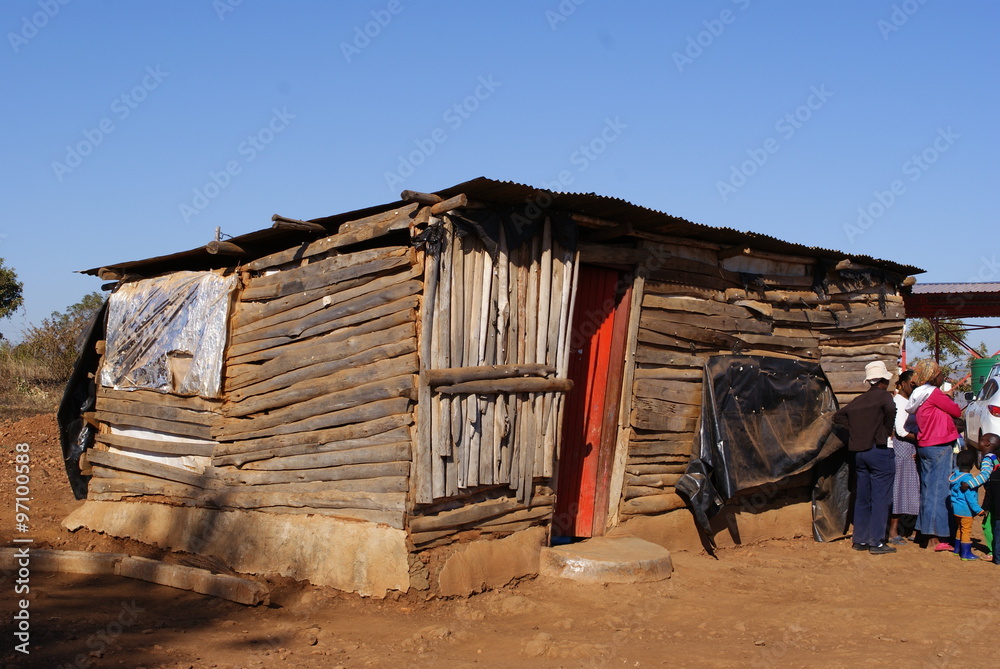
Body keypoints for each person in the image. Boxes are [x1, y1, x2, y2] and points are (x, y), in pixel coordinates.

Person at [833, 360, 897, 554]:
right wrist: (885, 430)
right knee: (880, 498)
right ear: (883, 381)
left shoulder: (859, 401)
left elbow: (837, 417)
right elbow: (892, 411)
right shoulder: (884, 397)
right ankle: (876, 542)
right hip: (879, 451)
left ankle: (859, 539)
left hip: (860, 454)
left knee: (863, 497)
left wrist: (857, 431)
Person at [905, 360, 962, 551]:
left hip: (925, 445)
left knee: (928, 490)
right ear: (932, 376)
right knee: (939, 491)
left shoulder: (918, 395)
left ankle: (922, 531)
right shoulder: (934, 393)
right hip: (940, 445)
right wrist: (949, 397)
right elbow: (955, 410)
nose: (942, 377)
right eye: (939, 374)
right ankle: (934, 538)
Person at [888, 369, 920, 544]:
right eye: (912, 384)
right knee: (899, 489)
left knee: (905, 489)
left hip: (907, 449)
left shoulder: (906, 401)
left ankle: (904, 528)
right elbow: (901, 430)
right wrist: (921, 438)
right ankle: (893, 531)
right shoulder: (900, 403)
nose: (914, 388)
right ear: (903, 384)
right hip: (902, 448)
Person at [959, 433, 1000, 559]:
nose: (979, 441)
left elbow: (984, 475)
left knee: (987, 524)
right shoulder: (995, 457)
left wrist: (969, 484)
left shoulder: (987, 459)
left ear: (988, 443)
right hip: (996, 492)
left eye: (982, 439)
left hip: (991, 493)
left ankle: (993, 550)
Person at [949, 449, 985, 560]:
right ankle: (965, 554)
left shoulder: (954, 476)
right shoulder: (968, 480)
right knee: (966, 531)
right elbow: (970, 498)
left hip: (956, 509)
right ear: (973, 464)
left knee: (960, 529)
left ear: (957, 463)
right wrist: (979, 510)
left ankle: (957, 549)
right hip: (966, 510)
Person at [982, 459, 1000, 565]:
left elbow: (989, 495)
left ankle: (998, 559)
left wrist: (985, 508)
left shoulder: (994, 475)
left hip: (998, 514)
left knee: (998, 537)